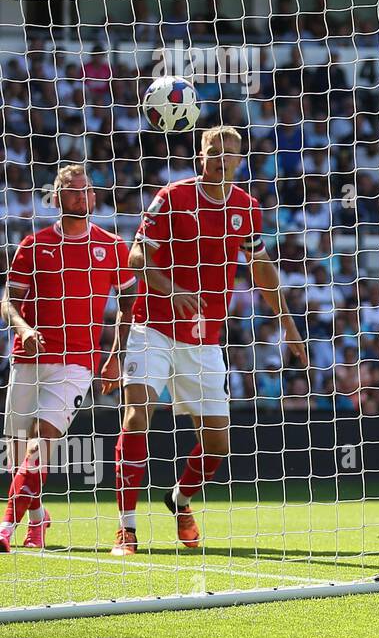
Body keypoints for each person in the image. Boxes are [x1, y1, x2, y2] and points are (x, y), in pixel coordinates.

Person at [109, 127, 307, 556]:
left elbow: (261, 268)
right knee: (136, 417)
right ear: (201, 156)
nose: (222, 159)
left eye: (230, 154)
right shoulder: (173, 196)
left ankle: (179, 499)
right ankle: (125, 528)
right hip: (155, 326)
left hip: (204, 340)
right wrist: (170, 289)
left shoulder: (247, 208)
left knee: (219, 445)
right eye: (214, 152)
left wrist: (289, 326)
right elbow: (136, 257)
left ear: (240, 160)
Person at [0, 165, 137, 552]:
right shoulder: (34, 243)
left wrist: (115, 356)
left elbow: (129, 304)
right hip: (28, 359)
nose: (82, 196)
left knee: (39, 442)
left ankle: (5, 528)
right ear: (56, 198)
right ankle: (39, 517)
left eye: (87, 190)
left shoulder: (112, 245)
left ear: (94, 197)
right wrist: (24, 329)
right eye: (73, 191)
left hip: (77, 362)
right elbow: (8, 300)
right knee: (17, 451)